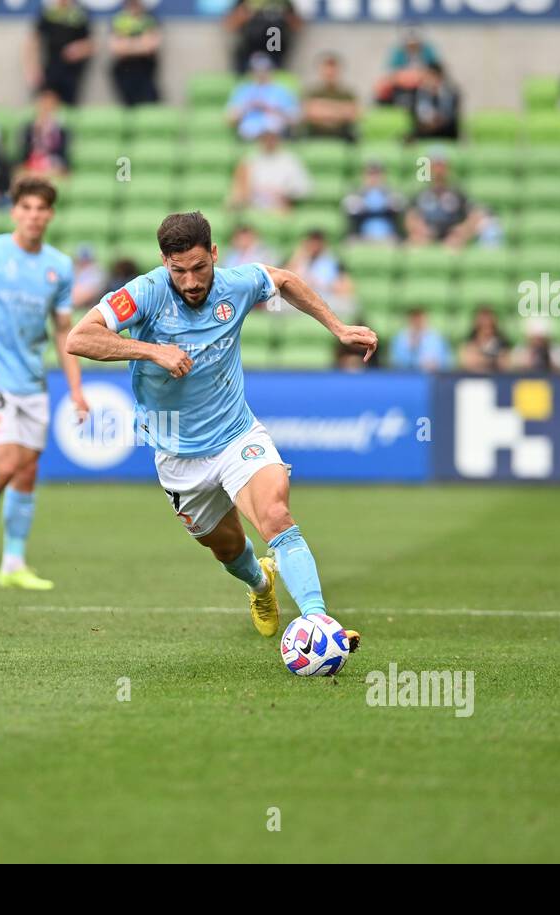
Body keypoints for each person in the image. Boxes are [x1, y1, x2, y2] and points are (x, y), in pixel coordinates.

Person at [64, 210, 375, 641]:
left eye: (199, 268)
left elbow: (283, 280)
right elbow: (78, 338)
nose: (191, 281)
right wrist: (152, 351)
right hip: (178, 456)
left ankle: (318, 620)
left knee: (276, 514)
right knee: (227, 549)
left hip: (236, 436)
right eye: (179, 271)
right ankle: (259, 584)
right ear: (163, 262)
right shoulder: (147, 292)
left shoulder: (237, 284)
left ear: (214, 254)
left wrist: (337, 328)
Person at [0, 177, 85, 591]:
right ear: (14, 212)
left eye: (42, 209)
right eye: (26, 207)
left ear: (50, 215)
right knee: (5, 463)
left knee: (26, 471)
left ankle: (13, 563)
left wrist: (76, 388)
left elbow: (63, 332)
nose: (34, 216)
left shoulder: (59, 266)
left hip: (32, 381)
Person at [28, 0, 94, 106]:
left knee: (68, 108)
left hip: (72, 72)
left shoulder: (80, 13)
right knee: (45, 103)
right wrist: (33, 68)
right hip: (51, 68)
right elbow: (34, 41)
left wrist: (78, 49)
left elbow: (91, 44)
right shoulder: (48, 12)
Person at [229, 130, 311, 213]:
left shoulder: (290, 160)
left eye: (272, 138)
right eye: (265, 138)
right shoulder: (249, 161)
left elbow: (304, 188)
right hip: (253, 208)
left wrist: (284, 193)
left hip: (280, 208)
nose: (269, 142)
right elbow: (239, 191)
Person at [226, 52, 300, 141]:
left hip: (276, 132)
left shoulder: (283, 91)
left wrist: (274, 109)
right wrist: (248, 107)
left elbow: (295, 119)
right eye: (257, 70)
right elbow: (231, 118)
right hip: (249, 133)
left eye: (265, 69)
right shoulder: (243, 90)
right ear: (251, 71)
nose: (261, 73)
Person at [109, 0, 161, 107]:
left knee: (149, 102)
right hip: (124, 69)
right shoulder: (119, 20)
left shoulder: (149, 19)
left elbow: (150, 47)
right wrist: (139, 44)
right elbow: (116, 48)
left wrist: (128, 44)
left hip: (145, 68)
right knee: (129, 104)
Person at [225, 0, 300, 74]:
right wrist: (248, 12)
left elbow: (297, 26)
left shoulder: (283, 2)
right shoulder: (245, 2)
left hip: (275, 50)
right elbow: (230, 25)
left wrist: (283, 15)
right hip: (249, 49)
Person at [343, 161, 405, 242]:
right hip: (362, 237)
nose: (374, 178)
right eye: (370, 174)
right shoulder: (356, 194)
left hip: (388, 237)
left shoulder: (391, 193)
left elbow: (398, 205)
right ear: (364, 176)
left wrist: (382, 203)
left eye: (377, 174)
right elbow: (350, 208)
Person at [303, 53, 358, 141]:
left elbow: (352, 114)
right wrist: (340, 109)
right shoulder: (312, 92)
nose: (330, 72)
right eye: (326, 68)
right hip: (315, 135)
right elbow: (311, 113)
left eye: (333, 68)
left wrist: (322, 106)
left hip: (342, 135)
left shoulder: (347, 93)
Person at [19, 89, 71, 177]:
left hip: (53, 163)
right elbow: (25, 152)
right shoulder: (30, 128)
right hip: (33, 161)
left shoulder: (61, 129)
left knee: (58, 170)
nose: (46, 108)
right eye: (44, 104)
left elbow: (62, 154)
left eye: (50, 105)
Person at [410, 63, 459, 139]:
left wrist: (437, 121)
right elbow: (420, 113)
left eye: (433, 76)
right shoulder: (419, 92)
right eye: (427, 76)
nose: (430, 79)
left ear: (440, 77)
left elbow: (449, 114)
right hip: (425, 129)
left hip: (445, 130)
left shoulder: (450, 93)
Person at [458, 306, 511, 372]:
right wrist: (491, 359)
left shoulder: (502, 344)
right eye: (483, 326)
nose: (487, 330)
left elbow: (505, 363)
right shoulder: (469, 344)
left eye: (490, 326)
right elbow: (468, 361)